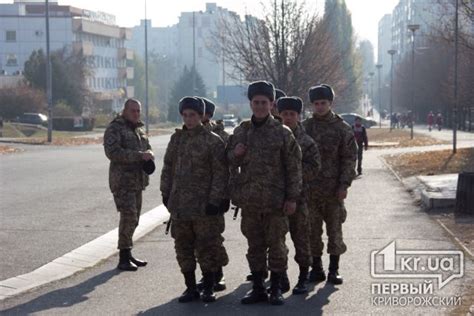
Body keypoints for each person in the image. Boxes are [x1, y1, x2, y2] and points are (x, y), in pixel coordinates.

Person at [227, 80, 302, 305]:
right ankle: (258, 287)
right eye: (255, 102)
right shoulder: (242, 131)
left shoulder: (283, 133)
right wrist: (236, 153)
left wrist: (292, 198)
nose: (259, 106)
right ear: (250, 103)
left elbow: (294, 168)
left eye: (264, 102)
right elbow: (227, 160)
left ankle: (276, 287)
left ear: (272, 104)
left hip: (276, 202)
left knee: (277, 246)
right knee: (255, 246)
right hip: (250, 202)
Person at [160, 97, 229, 303]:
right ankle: (190, 287)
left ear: (201, 116)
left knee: (206, 247)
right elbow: (168, 167)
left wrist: (215, 200)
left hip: (203, 206)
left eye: (193, 115)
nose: (189, 119)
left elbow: (220, 173)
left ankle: (208, 286)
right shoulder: (177, 139)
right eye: (185, 115)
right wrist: (165, 193)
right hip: (180, 206)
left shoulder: (213, 141)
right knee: (183, 247)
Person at [303, 84, 357, 285]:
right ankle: (316, 268)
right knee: (312, 231)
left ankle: (334, 269)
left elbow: (349, 158)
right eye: (316, 104)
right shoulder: (305, 127)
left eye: (323, 103)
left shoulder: (342, 128)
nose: (319, 107)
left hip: (334, 190)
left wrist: (344, 184)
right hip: (310, 190)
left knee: (334, 231)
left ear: (330, 103)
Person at [103, 98, 154, 271]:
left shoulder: (139, 129)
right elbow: (113, 152)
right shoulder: (115, 128)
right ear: (124, 110)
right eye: (133, 110)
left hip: (137, 182)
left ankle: (128, 252)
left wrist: (148, 155)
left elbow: (148, 147)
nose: (136, 113)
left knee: (135, 219)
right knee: (128, 216)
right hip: (122, 182)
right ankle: (123, 258)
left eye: (138, 110)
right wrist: (139, 156)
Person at [277, 96, 321, 295]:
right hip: (275, 197)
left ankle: (303, 277)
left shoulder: (306, 141)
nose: (288, 118)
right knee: (276, 240)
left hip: (300, 198)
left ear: (298, 116)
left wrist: (293, 170)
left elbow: (314, 168)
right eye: (284, 114)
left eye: (292, 114)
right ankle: (281, 277)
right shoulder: (273, 137)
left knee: (301, 238)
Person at [197, 96, 229, 292]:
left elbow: (226, 168)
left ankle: (218, 273)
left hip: (215, 195)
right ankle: (206, 274)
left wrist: (224, 196)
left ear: (207, 115)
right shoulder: (190, 135)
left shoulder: (220, 137)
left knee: (214, 237)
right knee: (198, 240)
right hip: (194, 197)